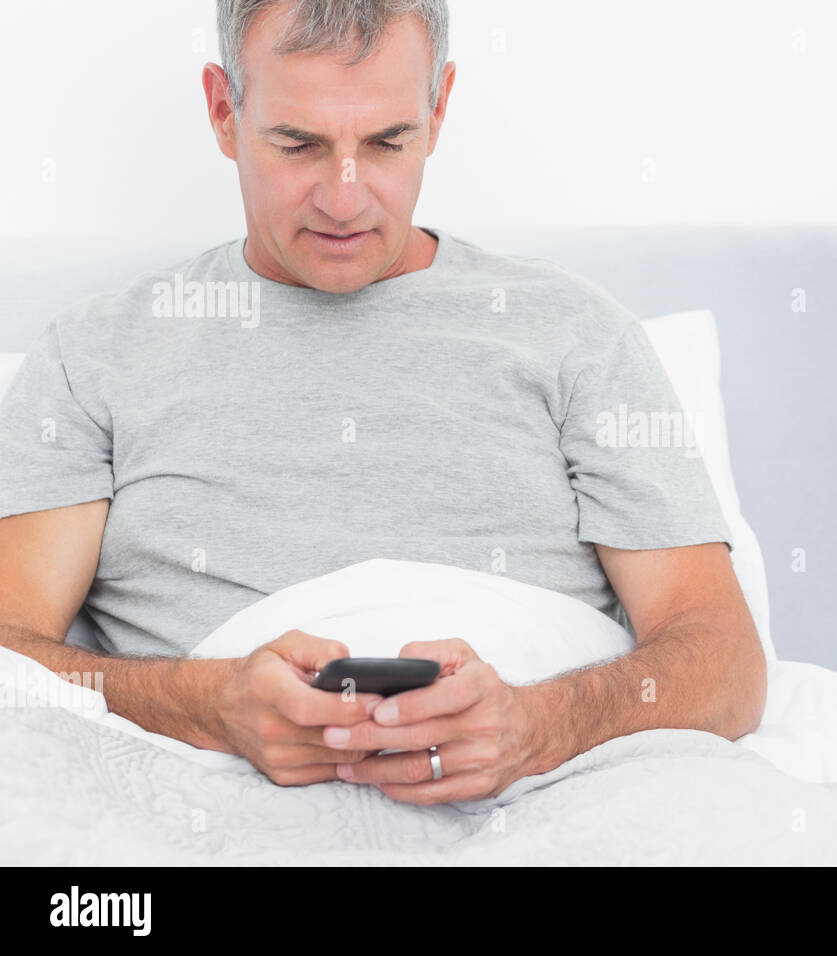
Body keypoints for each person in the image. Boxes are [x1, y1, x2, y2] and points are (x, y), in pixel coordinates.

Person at [0, 0, 765, 805]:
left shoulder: (574, 333)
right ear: (225, 114)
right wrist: (209, 704)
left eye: (387, 142)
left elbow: (726, 661)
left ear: (437, 112)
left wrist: (537, 725)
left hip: (553, 806)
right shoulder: (95, 354)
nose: (343, 198)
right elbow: (9, 656)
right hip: (216, 813)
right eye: (298, 145)